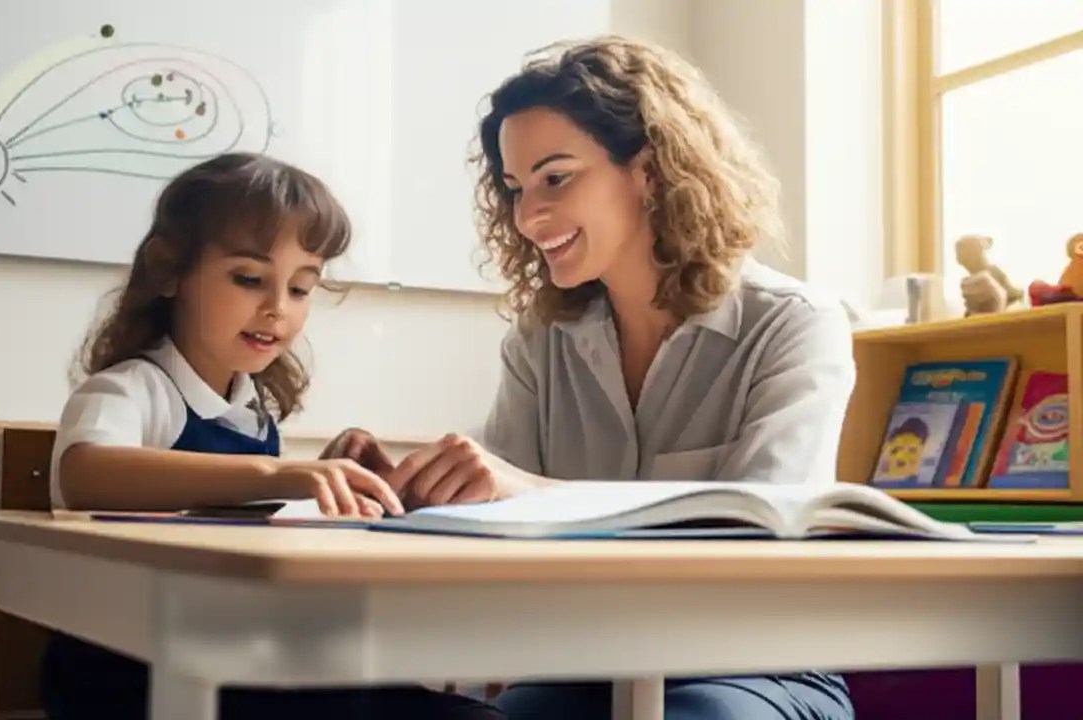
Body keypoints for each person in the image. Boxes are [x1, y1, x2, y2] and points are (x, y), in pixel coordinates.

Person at [336, 36, 858, 720]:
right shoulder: (540, 340)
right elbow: (497, 528)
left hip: (753, 666)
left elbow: (759, 535)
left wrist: (527, 491)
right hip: (581, 664)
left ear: (648, 172)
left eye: (556, 177)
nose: (526, 216)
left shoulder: (795, 325)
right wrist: (406, 492)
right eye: (516, 188)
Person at [41, 153, 502, 720]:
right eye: (249, 279)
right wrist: (281, 474)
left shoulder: (252, 413)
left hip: (244, 663)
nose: (276, 309)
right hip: (130, 672)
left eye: (302, 289)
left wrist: (327, 485)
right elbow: (86, 474)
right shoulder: (133, 389)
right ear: (168, 271)